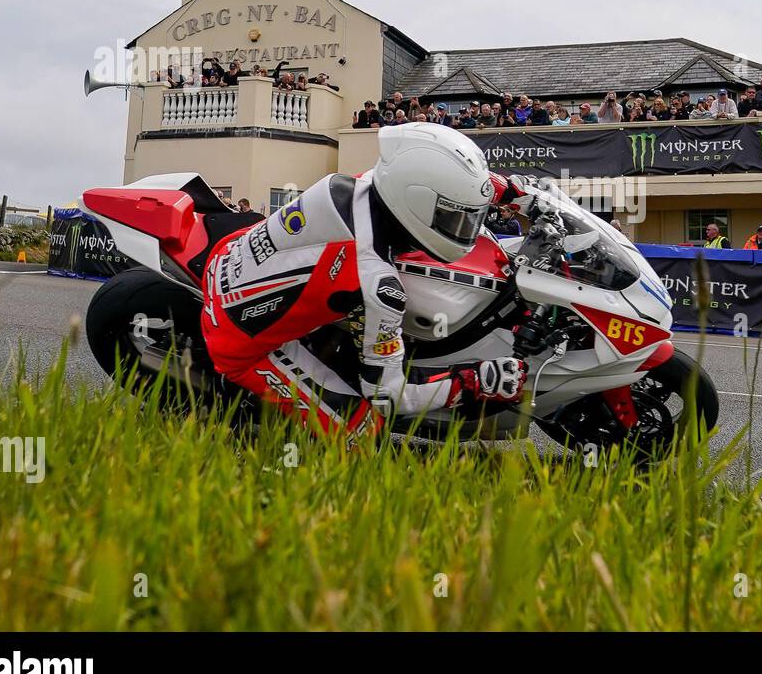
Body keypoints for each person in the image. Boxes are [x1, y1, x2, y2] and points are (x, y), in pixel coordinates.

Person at [200, 123, 530, 441]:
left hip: (229, 253)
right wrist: (471, 382)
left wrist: (520, 195)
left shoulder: (369, 183)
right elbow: (389, 395)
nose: (465, 228)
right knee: (363, 433)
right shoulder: (376, 281)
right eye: (456, 218)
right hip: (239, 336)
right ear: (414, 204)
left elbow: (437, 175)